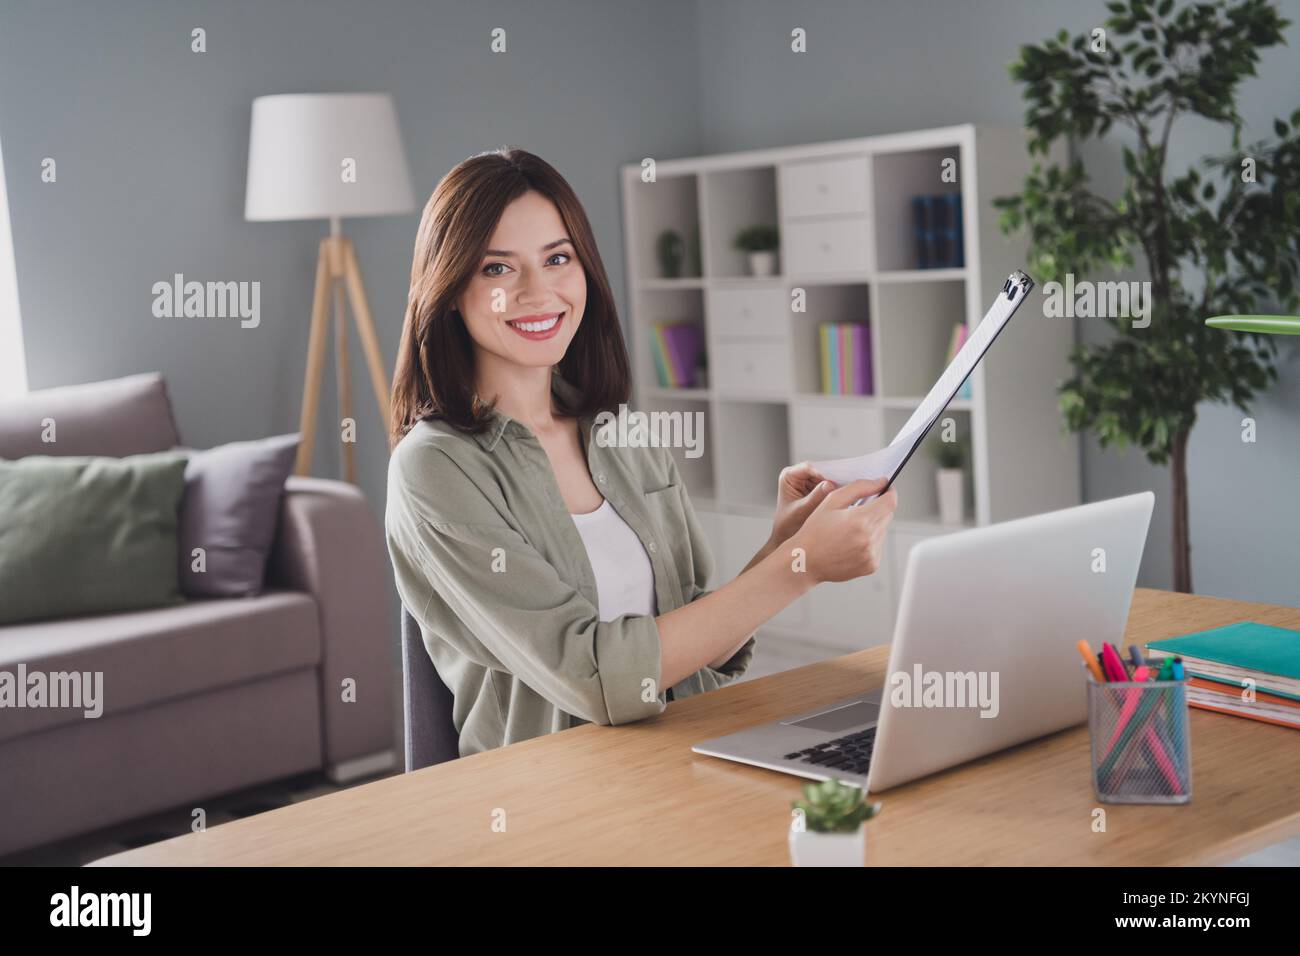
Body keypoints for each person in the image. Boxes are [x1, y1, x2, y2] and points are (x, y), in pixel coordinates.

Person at [385, 147, 896, 757]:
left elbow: (696, 638)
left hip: (697, 746)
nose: (538, 291)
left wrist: (782, 548)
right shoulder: (436, 468)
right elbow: (597, 679)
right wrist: (800, 569)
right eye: (497, 269)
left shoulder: (623, 433)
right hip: (549, 801)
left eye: (557, 258)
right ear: (448, 289)